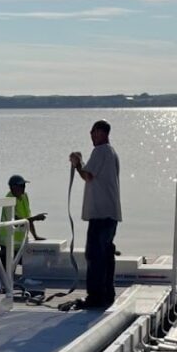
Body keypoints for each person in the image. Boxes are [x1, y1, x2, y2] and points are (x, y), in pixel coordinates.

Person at [69, 119, 121, 309]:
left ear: (101, 133)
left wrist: (77, 163)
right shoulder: (112, 152)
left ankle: (95, 297)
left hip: (101, 214)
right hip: (110, 212)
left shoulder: (100, 151)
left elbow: (87, 175)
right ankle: (107, 294)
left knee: (94, 255)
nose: (91, 135)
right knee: (106, 254)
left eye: (93, 132)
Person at [0, 173, 45, 270]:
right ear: (13, 187)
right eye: (21, 186)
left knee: (30, 266)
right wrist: (35, 218)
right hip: (7, 242)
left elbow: (28, 218)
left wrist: (35, 236)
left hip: (21, 243)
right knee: (8, 271)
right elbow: (16, 221)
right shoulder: (8, 200)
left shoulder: (24, 197)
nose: (24, 188)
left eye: (24, 186)